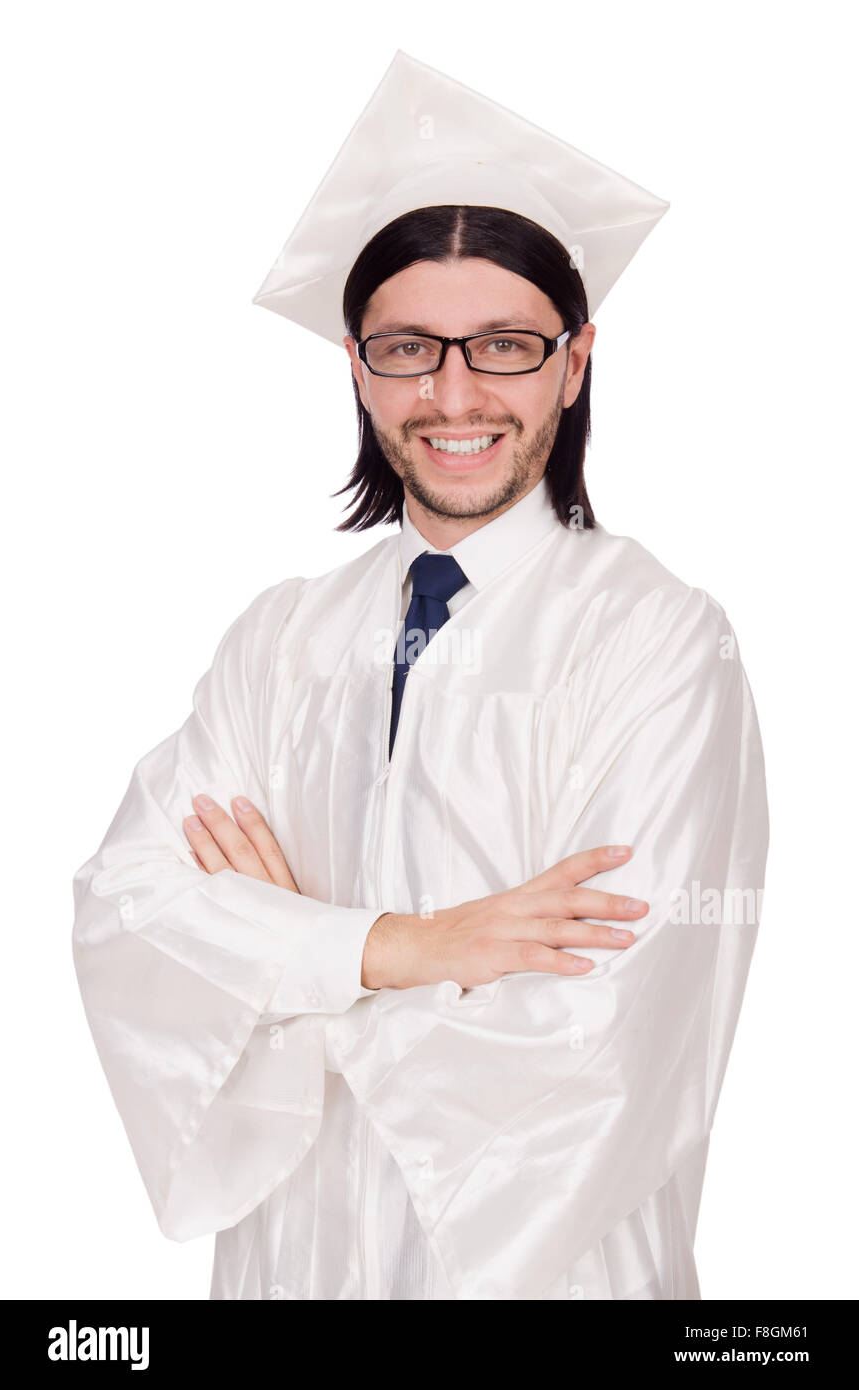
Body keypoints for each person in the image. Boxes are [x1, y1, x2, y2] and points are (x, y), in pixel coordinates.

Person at [72, 51, 768, 1301]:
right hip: (292, 1266)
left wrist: (291, 967)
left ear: (575, 357)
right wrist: (417, 945)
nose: (454, 392)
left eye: (503, 343)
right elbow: (129, 910)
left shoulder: (660, 642)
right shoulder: (279, 640)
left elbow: (602, 1036)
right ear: (357, 364)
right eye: (408, 347)